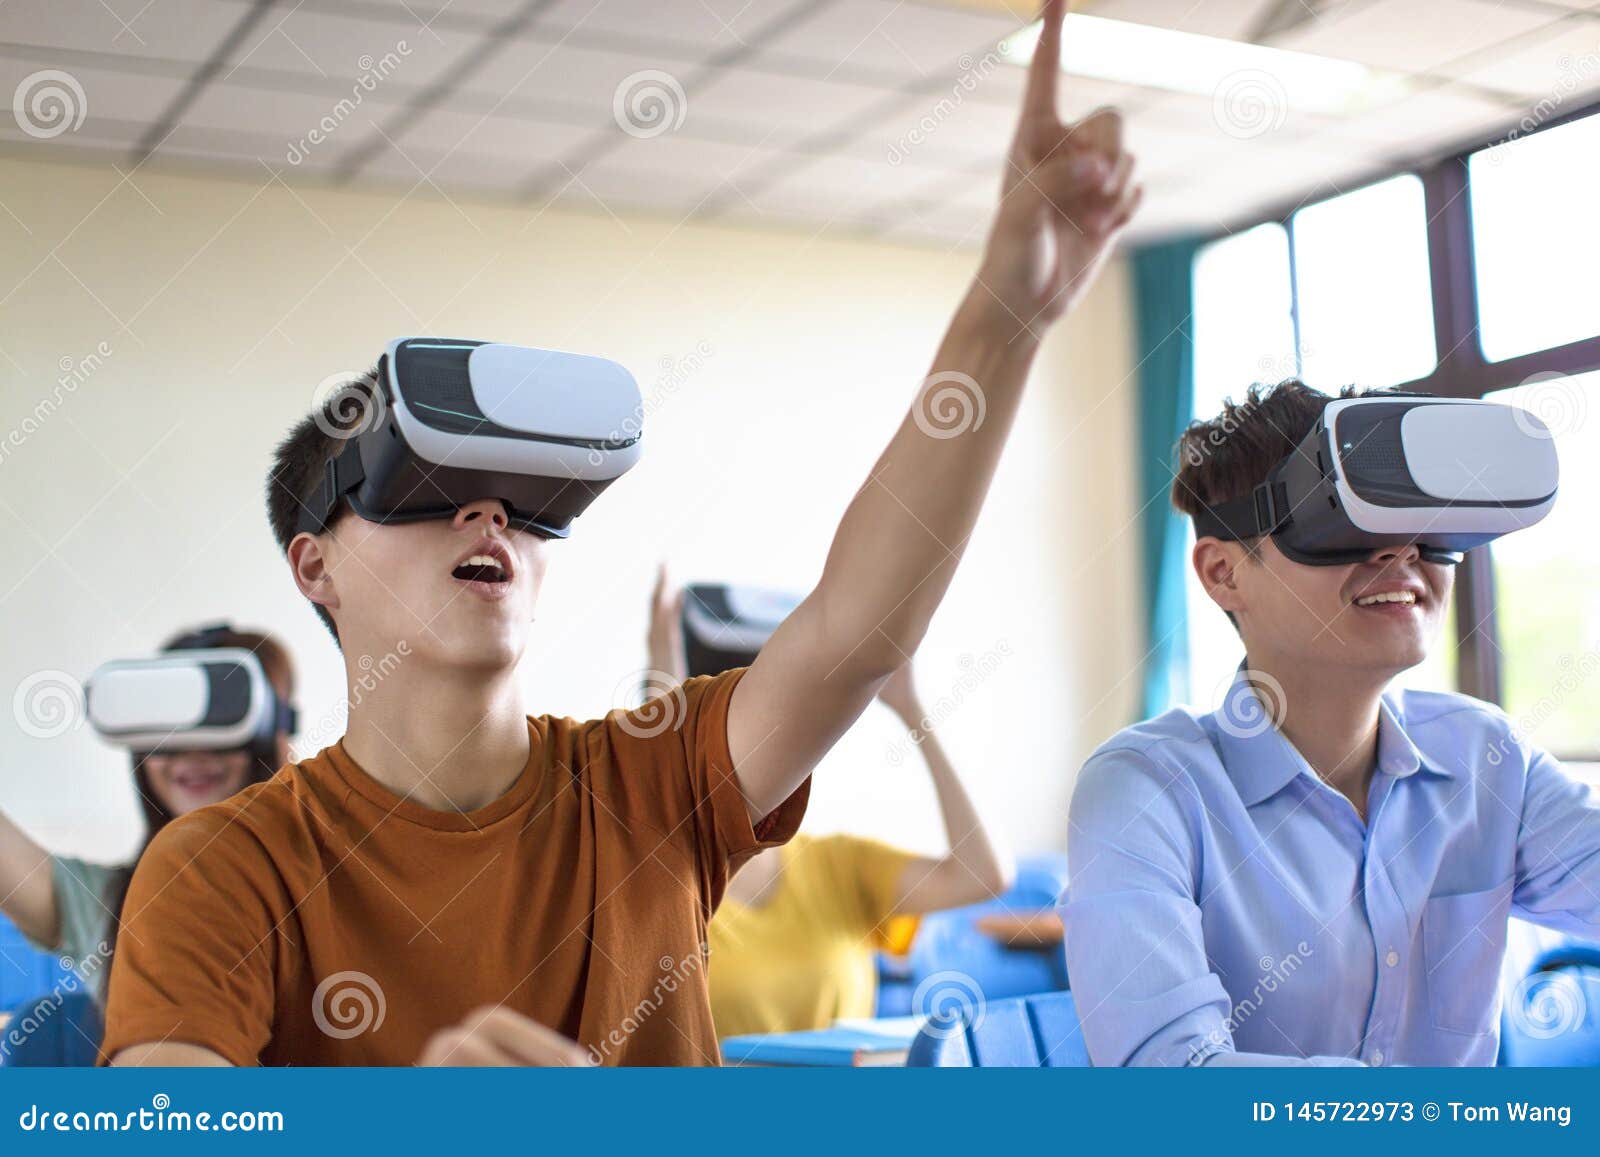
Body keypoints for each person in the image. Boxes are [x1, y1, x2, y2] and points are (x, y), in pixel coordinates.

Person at [101, 0, 1139, 1067]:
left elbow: (852, 635)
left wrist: (1004, 317)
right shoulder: (227, 862)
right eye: (424, 487)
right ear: (315, 565)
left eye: (519, 495)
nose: (486, 514)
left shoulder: (650, 777)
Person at [1061, 380, 1600, 1067]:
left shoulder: (1490, 760)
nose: (1399, 551)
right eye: (1342, 521)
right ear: (1224, 573)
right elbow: (1173, 1084)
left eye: (1423, 521)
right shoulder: (1145, 790)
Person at [645, 569, 1011, 1039]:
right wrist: (665, 686)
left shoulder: (838, 865)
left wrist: (911, 707)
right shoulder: (660, 886)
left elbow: (984, 873)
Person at [0, 624, 296, 1003]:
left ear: (270, 730)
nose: (192, 755)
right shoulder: (105, 907)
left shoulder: (323, 886)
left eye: (220, 724)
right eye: (167, 731)